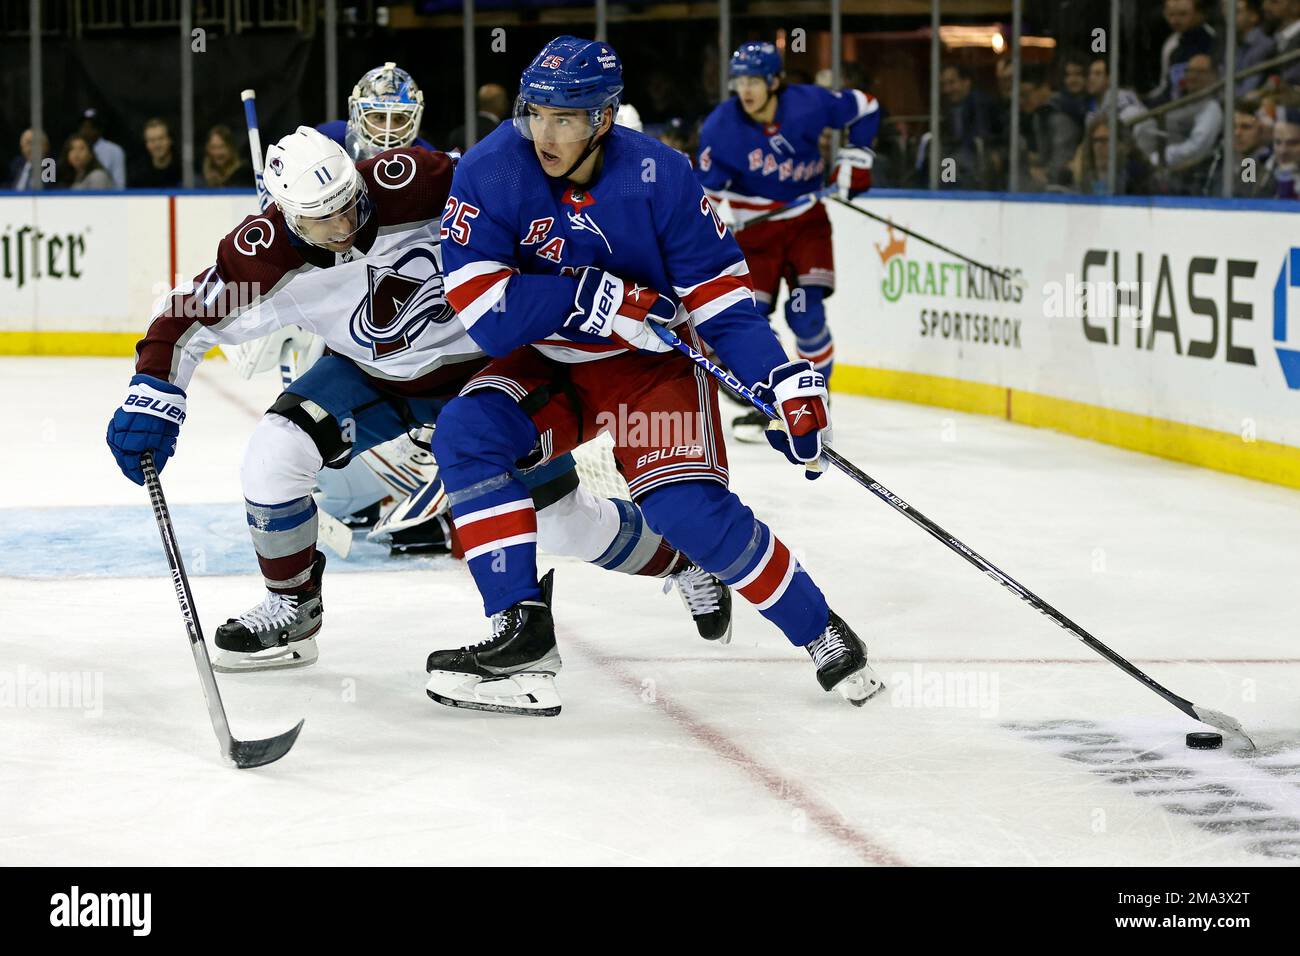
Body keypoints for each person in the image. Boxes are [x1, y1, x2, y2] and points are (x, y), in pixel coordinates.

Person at [105, 126, 729, 675]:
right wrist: (153, 389)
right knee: (272, 454)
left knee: (558, 521)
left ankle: (682, 562)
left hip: (491, 366)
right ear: (286, 216)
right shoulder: (262, 256)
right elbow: (184, 315)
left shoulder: (417, 180)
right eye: (321, 221)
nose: (345, 229)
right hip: (374, 379)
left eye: (349, 206)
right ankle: (294, 604)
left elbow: (511, 181)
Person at [427, 36, 884, 716]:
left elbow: (725, 304)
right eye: (536, 113)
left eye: (564, 118)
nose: (543, 133)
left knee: (684, 512)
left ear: (604, 118)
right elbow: (486, 316)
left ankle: (819, 629)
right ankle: (521, 634)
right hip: (547, 360)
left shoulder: (661, 176)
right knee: (466, 432)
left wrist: (781, 380)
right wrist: (584, 295)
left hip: (648, 369)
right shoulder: (493, 168)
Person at [695, 41, 881, 440]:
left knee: (806, 315)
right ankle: (779, 403)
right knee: (749, 322)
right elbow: (703, 194)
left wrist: (857, 157)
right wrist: (717, 212)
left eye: (754, 81)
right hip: (755, 233)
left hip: (804, 222)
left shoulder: (808, 105)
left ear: (775, 81)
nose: (745, 90)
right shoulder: (720, 127)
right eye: (739, 80)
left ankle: (818, 403)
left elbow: (865, 106)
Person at [318, 62, 437, 161]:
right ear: (357, 115)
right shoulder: (329, 140)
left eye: (399, 119)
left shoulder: (429, 160)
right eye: (379, 117)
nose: (388, 128)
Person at [1145, 0, 1216, 106]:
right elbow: (1165, 86)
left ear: (1199, 14)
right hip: (1171, 105)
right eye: (1170, 14)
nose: (1175, 20)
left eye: (1183, 14)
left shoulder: (1213, 40)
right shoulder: (1171, 44)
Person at [446, 83, 510, 151]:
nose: (507, 103)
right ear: (500, 103)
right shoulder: (501, 133)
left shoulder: (458, 134)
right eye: (504, 100)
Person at [1236, 0, 1277, 97]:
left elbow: (1249, 87)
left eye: (1237, 11)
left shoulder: (1264, 45)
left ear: (1253, 17)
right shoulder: (1234, 43)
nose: (1231, 16)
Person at [78, 108, 126, 189]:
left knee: (98, 176)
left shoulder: (114, 150)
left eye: (90, 127)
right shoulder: (75, 149)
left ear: (99, 129)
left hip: (106, 198)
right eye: (83, 126)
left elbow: (120, 186)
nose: (85, 131)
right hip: (75, 198)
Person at [128, 118, 182, 188]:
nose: (157, 145)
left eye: (161, 138)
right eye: (152, 140)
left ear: (170, 140)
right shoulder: (137, 174)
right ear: (146, 144)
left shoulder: (185, 171)